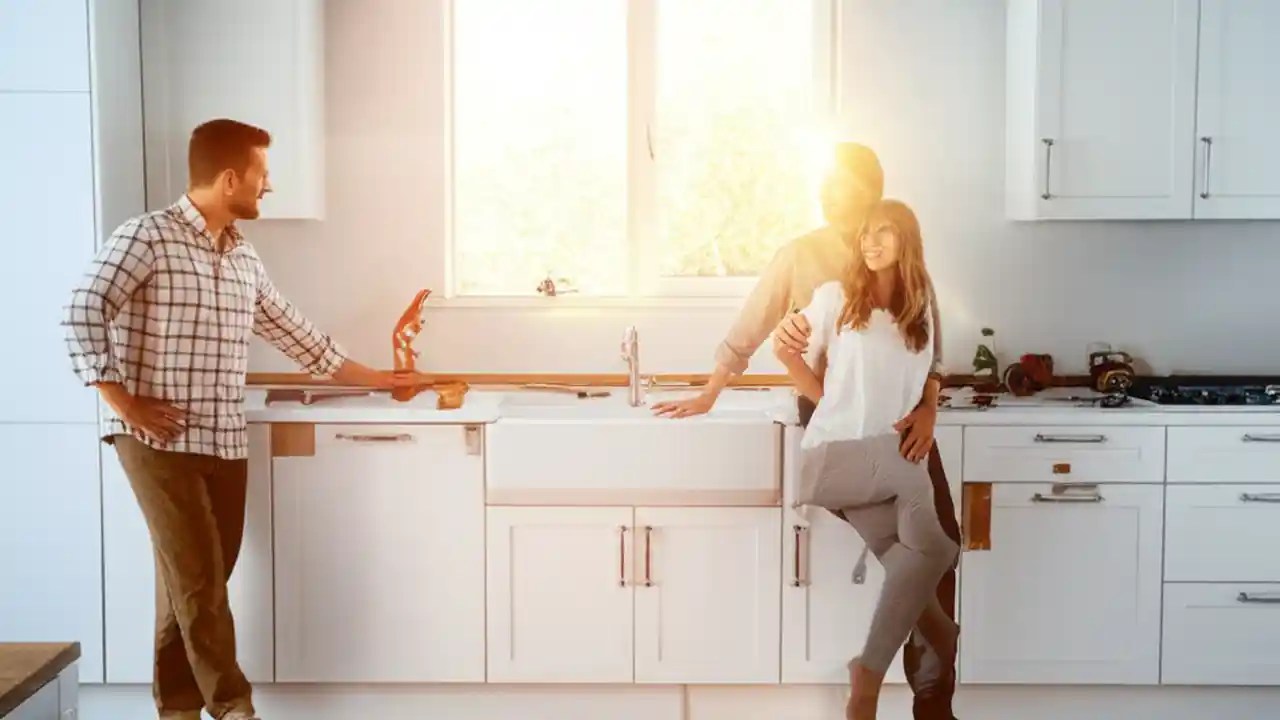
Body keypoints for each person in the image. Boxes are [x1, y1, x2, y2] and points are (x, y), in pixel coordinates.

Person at [62, 118, 423, 720]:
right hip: (157, 440)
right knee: (199, 580)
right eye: (263, 174)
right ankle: (234, 707)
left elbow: (302, 339)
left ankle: (178, 708)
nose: (268, 186)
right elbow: (81, 310)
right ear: (231, 179)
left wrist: (384, 380)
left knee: (196, 580)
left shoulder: (242, 258)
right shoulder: (147, 236)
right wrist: (123, 402)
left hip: (225, 439)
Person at [651, 143, 962, 720]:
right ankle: (907, 663)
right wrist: (711, 391)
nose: (828, 196)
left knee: (938, 548)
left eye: (842, 185)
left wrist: (929, 410)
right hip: (835, 422)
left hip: (902, 424)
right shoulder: (803, 257)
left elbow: (930, 353)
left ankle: (932, 698)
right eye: (825, 185)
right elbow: (752, 327)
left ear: (872, 193)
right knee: (920, 549)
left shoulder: (906, 262)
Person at [777, 198, 959, 720]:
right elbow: (785, 350)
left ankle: (922, 646)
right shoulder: (835, 296)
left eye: (883, 232)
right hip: (839, 455)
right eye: (865, 234)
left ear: (907, 241)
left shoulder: (920, 305)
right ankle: (876, 674)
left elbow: (931, 369)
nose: (870, 242)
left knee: (913, 560)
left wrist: (928, 410)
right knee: (935, 537)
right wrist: (827, 402)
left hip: (885, 455)